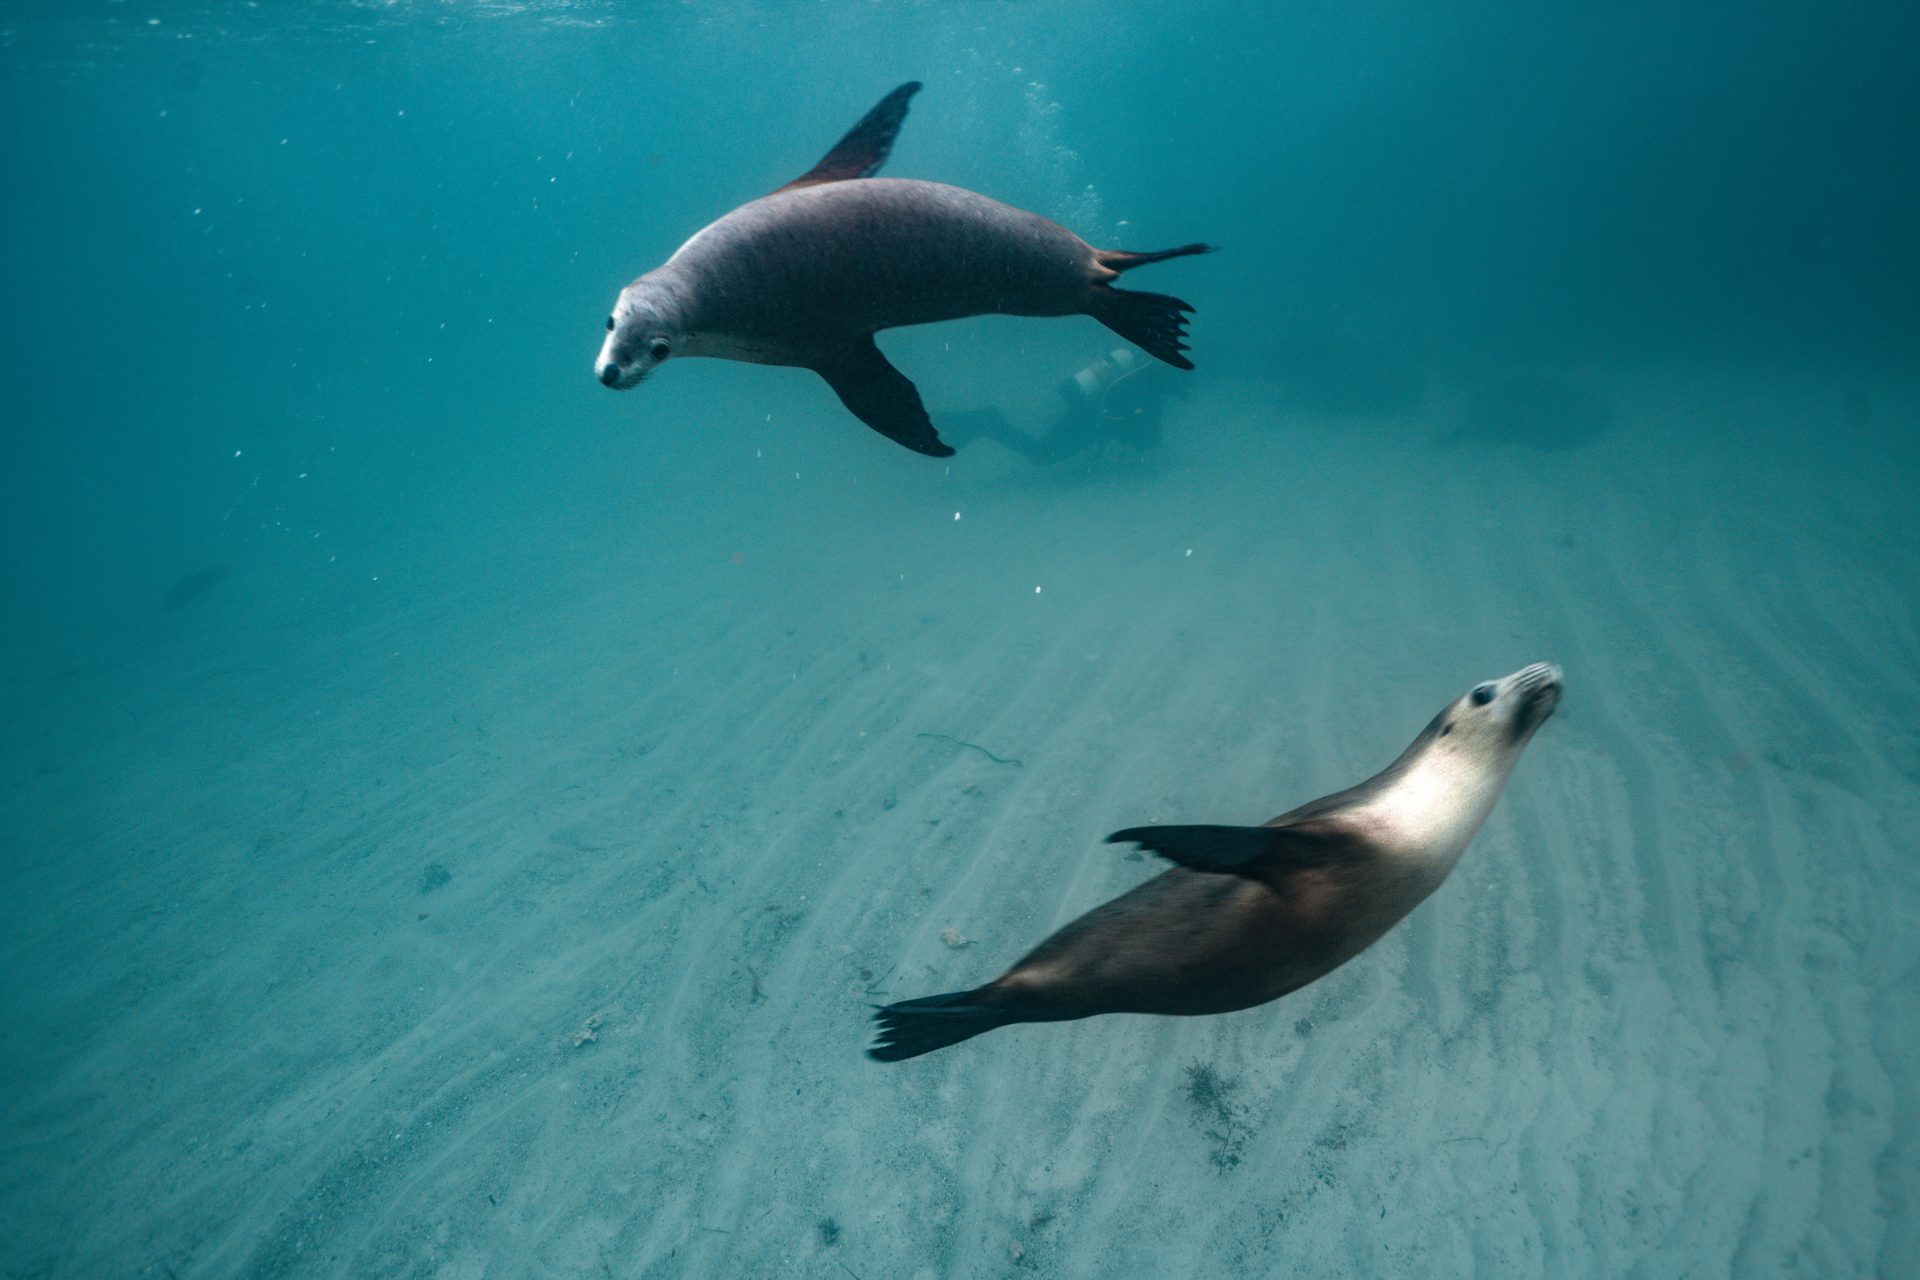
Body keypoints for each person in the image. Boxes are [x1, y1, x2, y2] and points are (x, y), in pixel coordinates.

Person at [939, 347, 1181, 465]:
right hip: (1088, 421)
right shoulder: (1144, 391)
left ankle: (980, 425)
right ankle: (987, 421)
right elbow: (1143, 438)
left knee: (1040, 452)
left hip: (1086, 416)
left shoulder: (1139, 384)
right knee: (1041, 456)